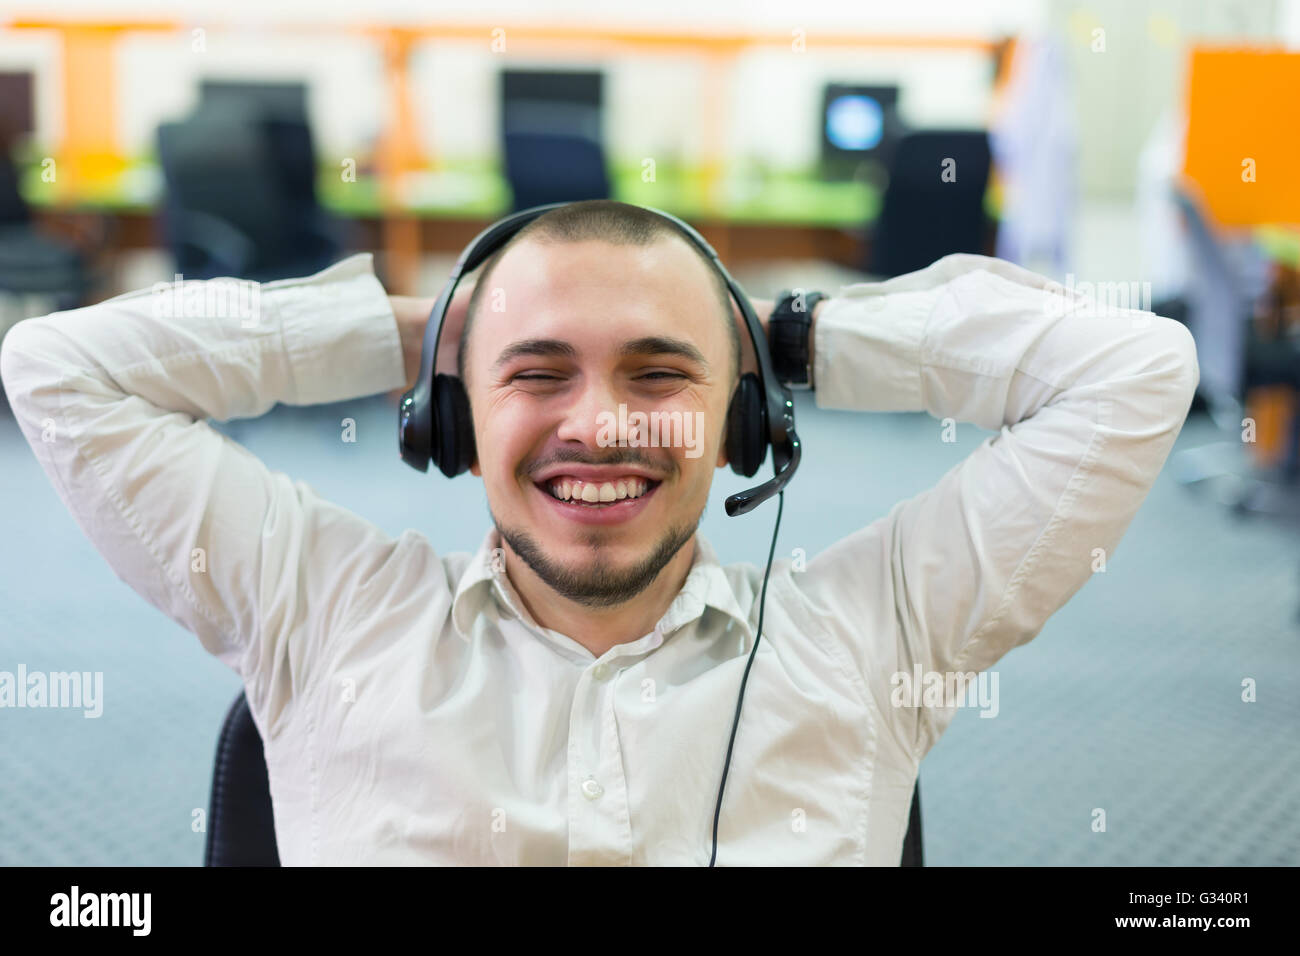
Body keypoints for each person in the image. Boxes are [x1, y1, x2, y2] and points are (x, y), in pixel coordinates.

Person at [0, 199, 1199, 865]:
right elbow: (58, 366)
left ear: (743, 417)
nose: (604, 422)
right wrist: (425, 332)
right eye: (537, 372)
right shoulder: (320, 612)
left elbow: (1133, 366)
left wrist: (782, 337)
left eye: (661, 371)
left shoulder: (873, 636)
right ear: (453, 414)